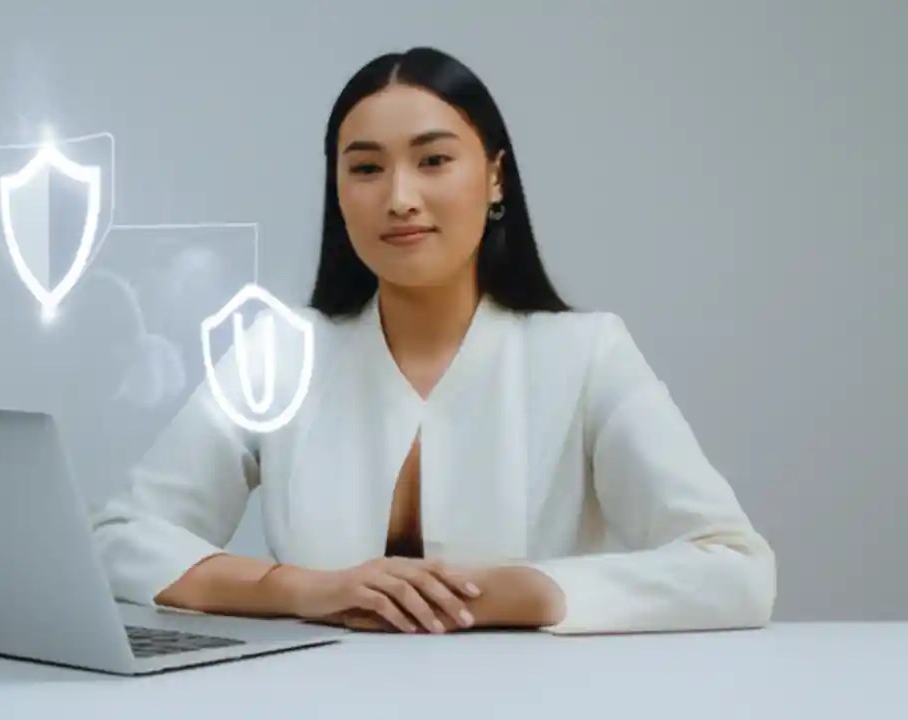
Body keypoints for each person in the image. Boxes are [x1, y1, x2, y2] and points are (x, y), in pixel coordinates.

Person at [90, 47, 777, 635]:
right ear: (338, 189)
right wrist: (302, 590)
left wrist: (525, 593)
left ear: (495, 175)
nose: (399, 198)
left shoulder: (586, 354)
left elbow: (735, 569)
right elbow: (118, 540)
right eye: (366, 169)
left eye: (434, 160)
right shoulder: (282, 352)